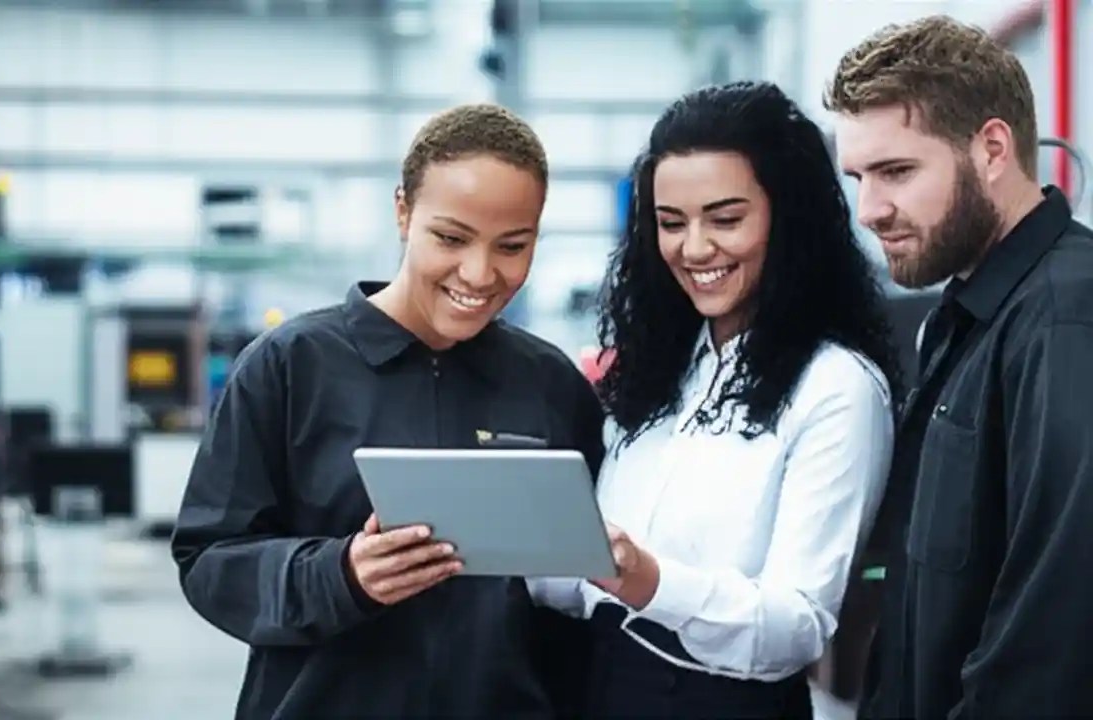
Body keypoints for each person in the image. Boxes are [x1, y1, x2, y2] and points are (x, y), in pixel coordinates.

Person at [170, 103, 605, 719]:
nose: (480, 273)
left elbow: (585, 588)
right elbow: (209, 559)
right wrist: (341, 575)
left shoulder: (551, 385)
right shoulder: (289, 366)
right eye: (451, 238)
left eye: (513, 245)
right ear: (403, 211)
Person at [528, 80, 901, 718]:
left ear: (790, 217)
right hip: (603, 681)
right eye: (671, 223)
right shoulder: (659, 368)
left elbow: (796, 625)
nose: (694, 248)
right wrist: (507, 547)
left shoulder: (836, 386)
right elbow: (588, 589)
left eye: (726, 219)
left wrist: (645, 579)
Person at [825, 14, 1093, 720]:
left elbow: (1054, 625)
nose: (868, 210)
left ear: (993, 149)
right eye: (857, 176)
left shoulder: (1067, 319)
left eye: (896, 172)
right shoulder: (965, 315)